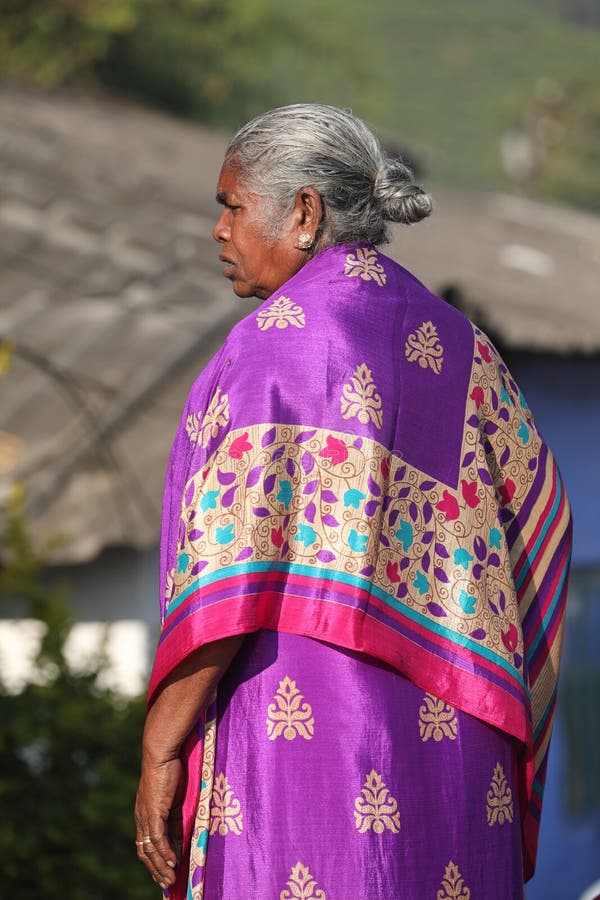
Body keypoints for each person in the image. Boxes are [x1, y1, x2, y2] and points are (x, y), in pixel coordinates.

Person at [135, 104, 572, 900]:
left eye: (233, 206)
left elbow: (226, 584)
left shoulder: (276, 345)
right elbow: (541, 534)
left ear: (304, 213)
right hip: (461, 764)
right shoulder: (465, 348)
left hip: (309, 760)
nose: (219, 231)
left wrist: (162, 745)